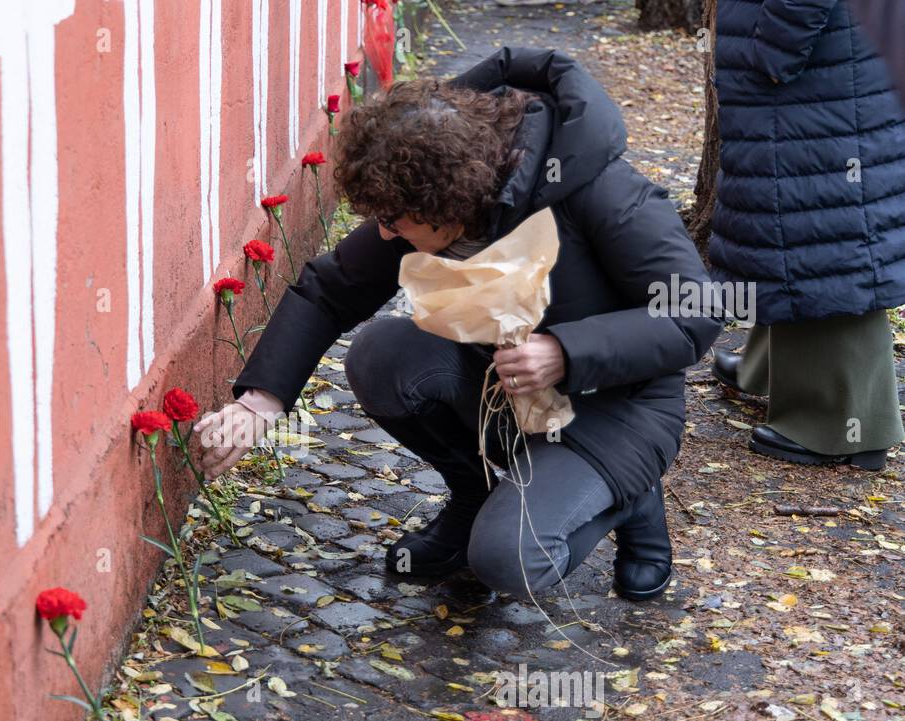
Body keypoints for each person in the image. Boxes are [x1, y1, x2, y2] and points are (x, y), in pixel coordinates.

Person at [197, 48, 724, 602]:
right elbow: (329, 290)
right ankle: (473, 497)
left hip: (617, 408)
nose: (383, 234)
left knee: (508, 562)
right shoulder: (423, 206)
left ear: (447, 206)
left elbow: (696, 312)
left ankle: (631, 496)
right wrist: (260, 401)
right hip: (504, 388)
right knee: (381, 354)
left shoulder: (604, 190)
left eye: (393, 220)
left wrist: (567, 351)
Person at [710, 0, 905, 468]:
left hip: (811, 53)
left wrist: (776, 46)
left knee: (828, 225)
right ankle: (777, 370)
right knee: (792, 218)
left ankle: (843, 421)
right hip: (825, 45)